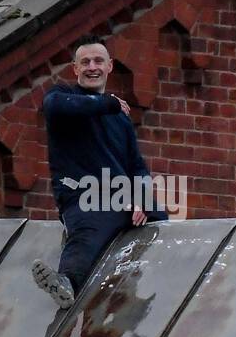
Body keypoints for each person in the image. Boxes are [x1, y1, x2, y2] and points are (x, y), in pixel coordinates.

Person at [31, 35, 167, 309]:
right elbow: (56, 107)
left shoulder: (120, 118)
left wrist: (140, 199)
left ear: (109, 66)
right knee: (87, 234)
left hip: (124, 199)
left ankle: (171, 288)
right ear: (75, 69)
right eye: (85, 62)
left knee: (161, 221)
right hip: (84, 197)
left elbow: (136, 165)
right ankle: (66, 284)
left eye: (98, 61)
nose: (92, 67)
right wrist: (109, 103)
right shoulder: (61, 98)